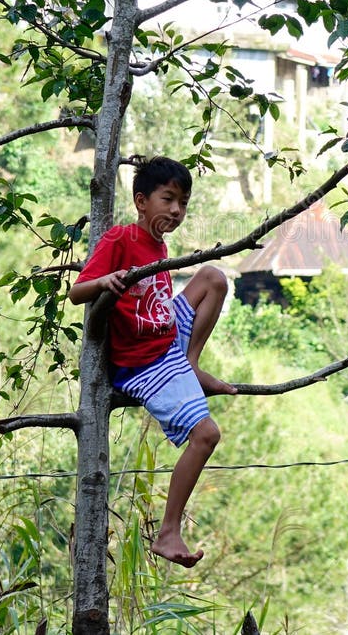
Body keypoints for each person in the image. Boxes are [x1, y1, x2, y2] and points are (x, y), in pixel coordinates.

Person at [68, 156, 236, 567]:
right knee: (206, 436)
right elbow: (76, 292)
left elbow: (159, 301)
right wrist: (104, 283)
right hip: (143, 363)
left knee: (213, 278)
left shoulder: (158, 243)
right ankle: (168, 531)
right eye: (169, 199)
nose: (177, 210)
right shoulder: (120, 240)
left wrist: (182, 355)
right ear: (140, 201)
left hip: (166, 339)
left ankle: (191, 364)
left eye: (183, 202)